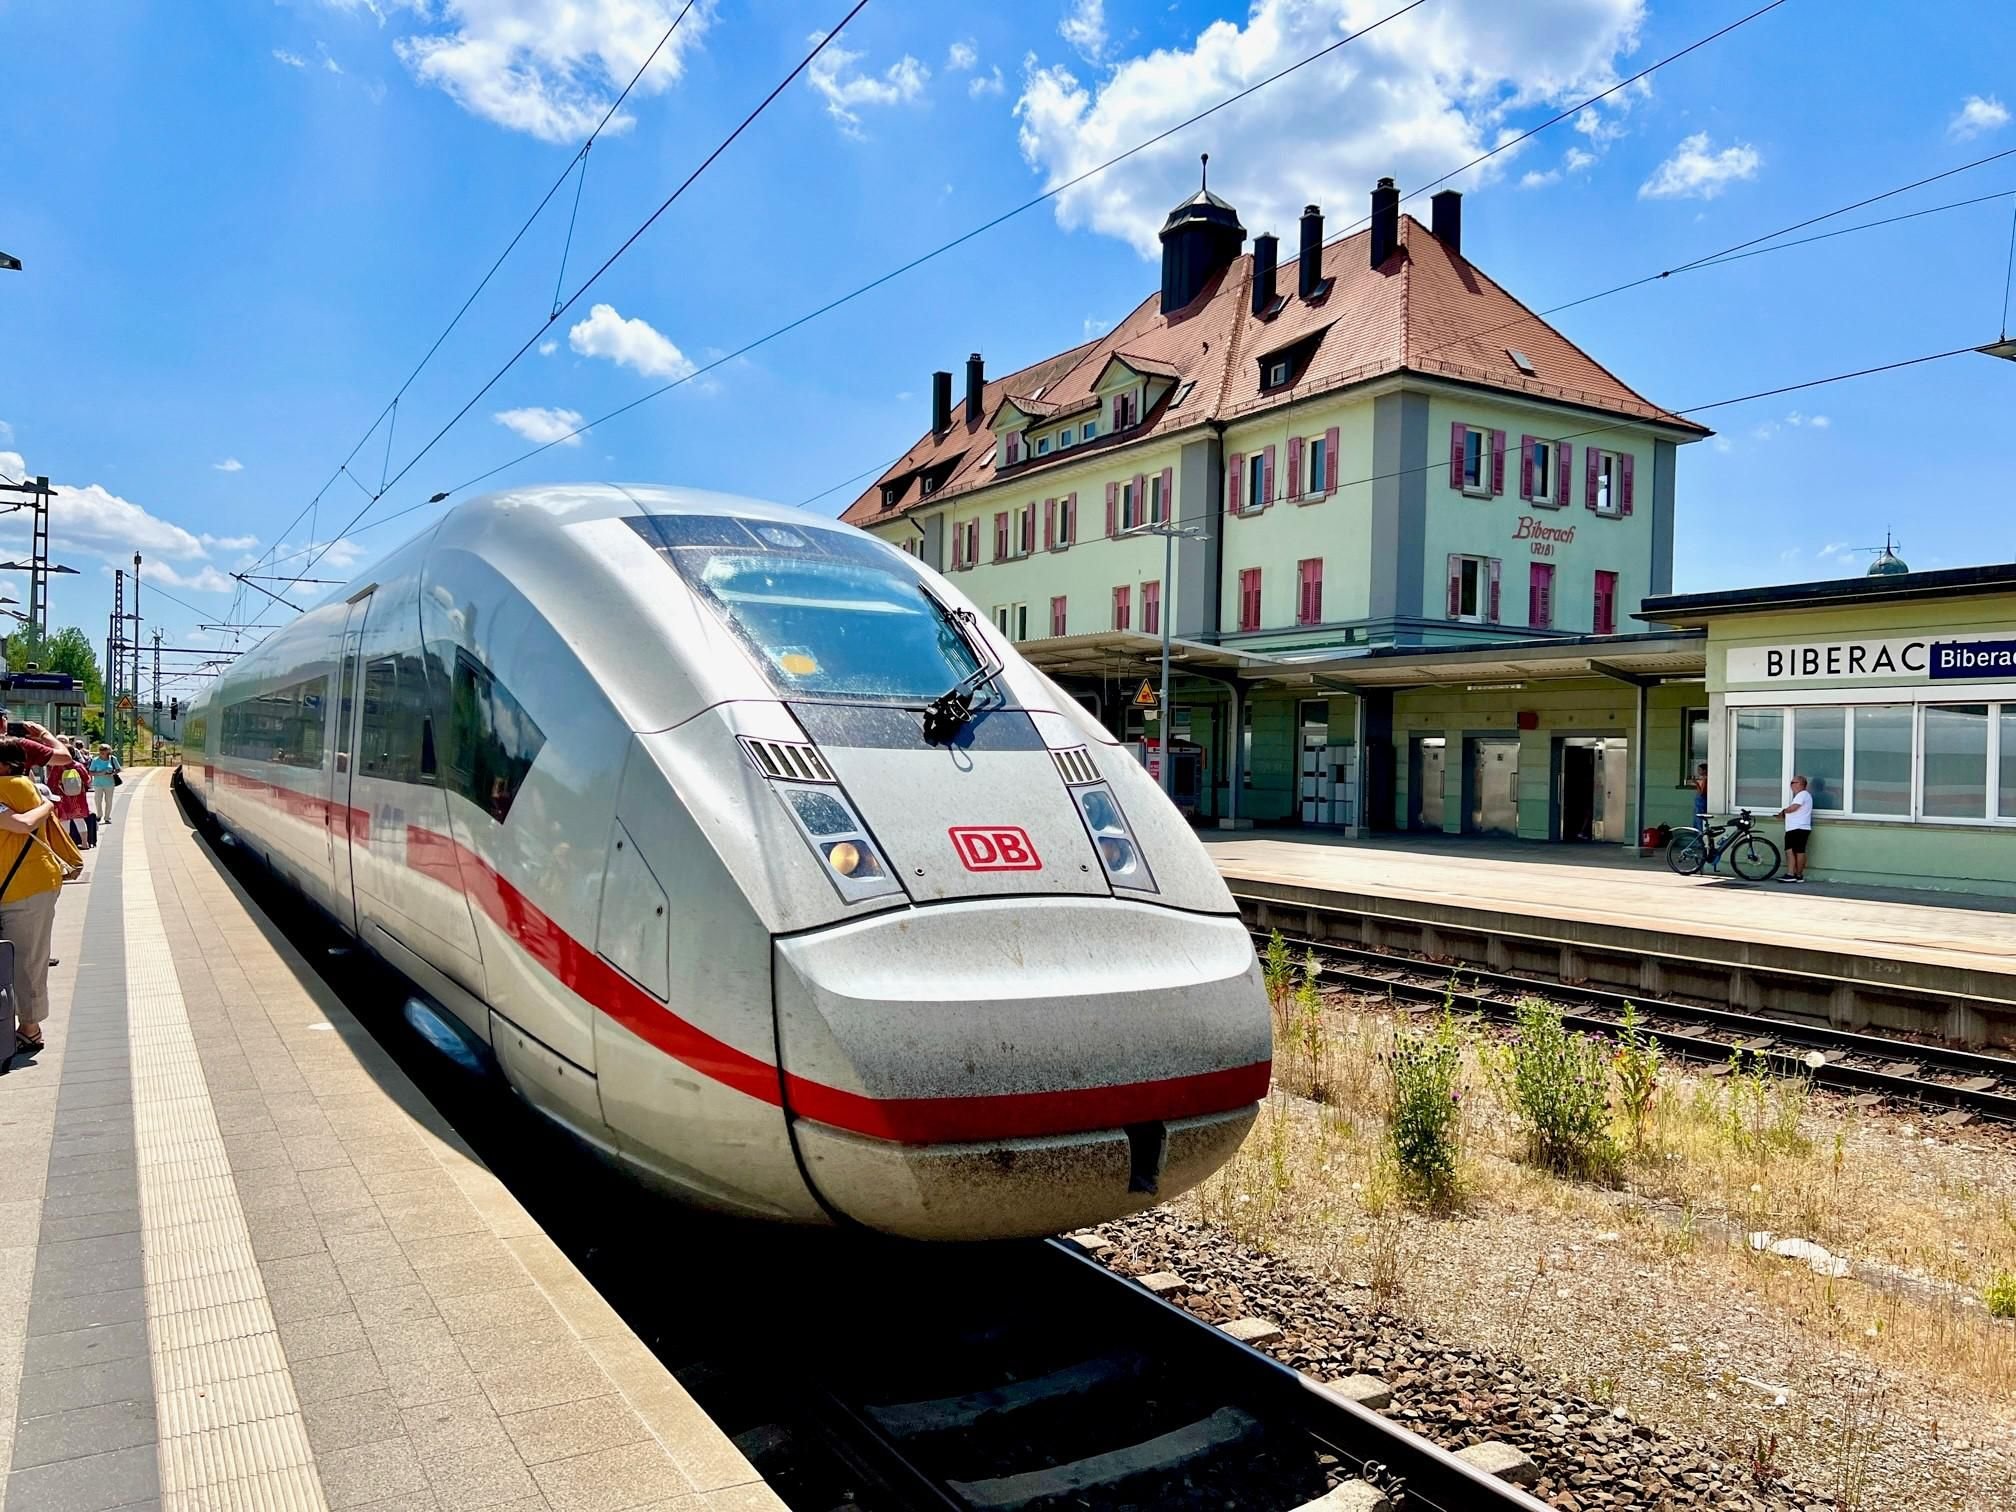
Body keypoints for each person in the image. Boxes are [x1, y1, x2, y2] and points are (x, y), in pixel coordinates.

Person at [0, 737, 82, 1054]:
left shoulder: (11, 787)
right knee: (28, 959)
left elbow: (20, 825)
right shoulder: (28, 786)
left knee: (25, 960)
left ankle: (30, 1028)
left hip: (23, 887)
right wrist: (48, 804)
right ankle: (27, 1024)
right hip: (29, 885)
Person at [1775, 774, 1814, 883]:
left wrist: (1783, 812)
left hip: (1796, 828)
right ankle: (1799, 875)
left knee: (1790, 851)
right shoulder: (1805, 795)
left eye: (1793, 783)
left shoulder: (1802, 794)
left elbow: (1794, 807)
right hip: (1801, 827)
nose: (1791, 785)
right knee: (1799, 851)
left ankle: (1791, 874)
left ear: (1801, 784)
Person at [89, 743, 120, 827]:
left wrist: (112, 773)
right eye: (101, 750)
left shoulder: (113, 759)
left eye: (104, 750)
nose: (102, 751)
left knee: (109, 801)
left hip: (109, 783)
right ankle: (99, 815)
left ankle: (107, 817)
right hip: (98, 784)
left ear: (108, 751)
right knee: (98, 800)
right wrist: (100, 773)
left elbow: (118, 769)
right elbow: (91, 772)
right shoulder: (95, 760)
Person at [1692, 762, 1709, 828]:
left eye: (1699, 770)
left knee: (1699, 819)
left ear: (1704, 770)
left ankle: (1699, 835)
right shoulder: (1703, 778)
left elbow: (1701, 792)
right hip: (1700, 801)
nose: (1698, 771)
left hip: (1701, 801)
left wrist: (1696, 783)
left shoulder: (1705, 779)